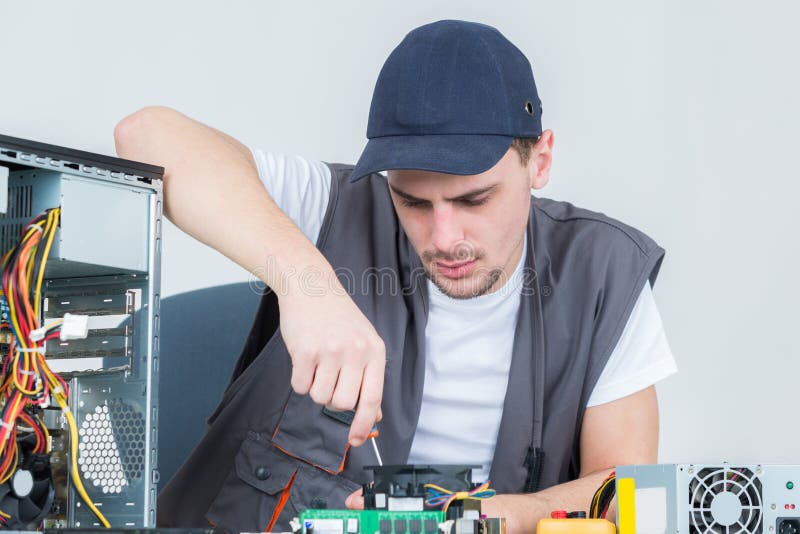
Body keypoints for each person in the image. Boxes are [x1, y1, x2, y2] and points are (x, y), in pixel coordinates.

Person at [114, 19, 676, 534]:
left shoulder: (604, 272)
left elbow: (624, 490)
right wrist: (309, 286)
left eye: (474, 199)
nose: (442, 237)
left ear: (540, 160)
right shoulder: (333, 206)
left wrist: (489, 518)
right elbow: (145, 137)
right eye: (412, 201)